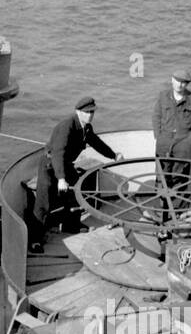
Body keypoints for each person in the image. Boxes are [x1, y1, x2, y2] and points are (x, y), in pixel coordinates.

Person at [29, 97, 123, 252]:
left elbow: (97, 143)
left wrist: (113, 155)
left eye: (92, 112)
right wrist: (61, 179)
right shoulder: (66, 126)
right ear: (78, 112)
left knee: (78, 189)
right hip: (50, 166)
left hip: (65, 165)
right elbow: (58, 153)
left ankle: (71, 225)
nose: (90, 115)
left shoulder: (86, 128)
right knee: (43, 203)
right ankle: (35, 240)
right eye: (87, 112)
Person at [152, 68, 191, 192]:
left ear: (187, 84)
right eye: (177, 81)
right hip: (164, 142)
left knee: (179, 177)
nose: (179, 85)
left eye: (183, 82)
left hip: (183, 144)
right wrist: (158, 136)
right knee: (161, 176)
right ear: (172, 80)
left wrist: (189, 142)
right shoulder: (163, 96)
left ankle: (177, 209)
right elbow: (156, 116)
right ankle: (161, 207)